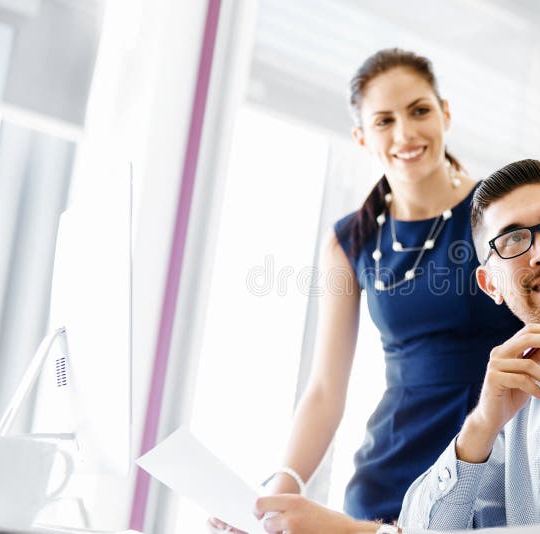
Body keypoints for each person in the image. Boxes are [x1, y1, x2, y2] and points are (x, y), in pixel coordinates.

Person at [250, 159, 540, 534]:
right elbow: (426, 526)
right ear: (490, 285)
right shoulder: (518, 401)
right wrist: (480, 425)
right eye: (513, 240)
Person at [208, 48, 523, 533]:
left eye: (419, 111)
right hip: (389, 473)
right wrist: (284, 484)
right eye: (383, 121)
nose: (405, 134)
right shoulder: (349, 240)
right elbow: (325, 387)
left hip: (493, 455)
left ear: (445, 112)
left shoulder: (501, 211)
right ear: (360, 137)